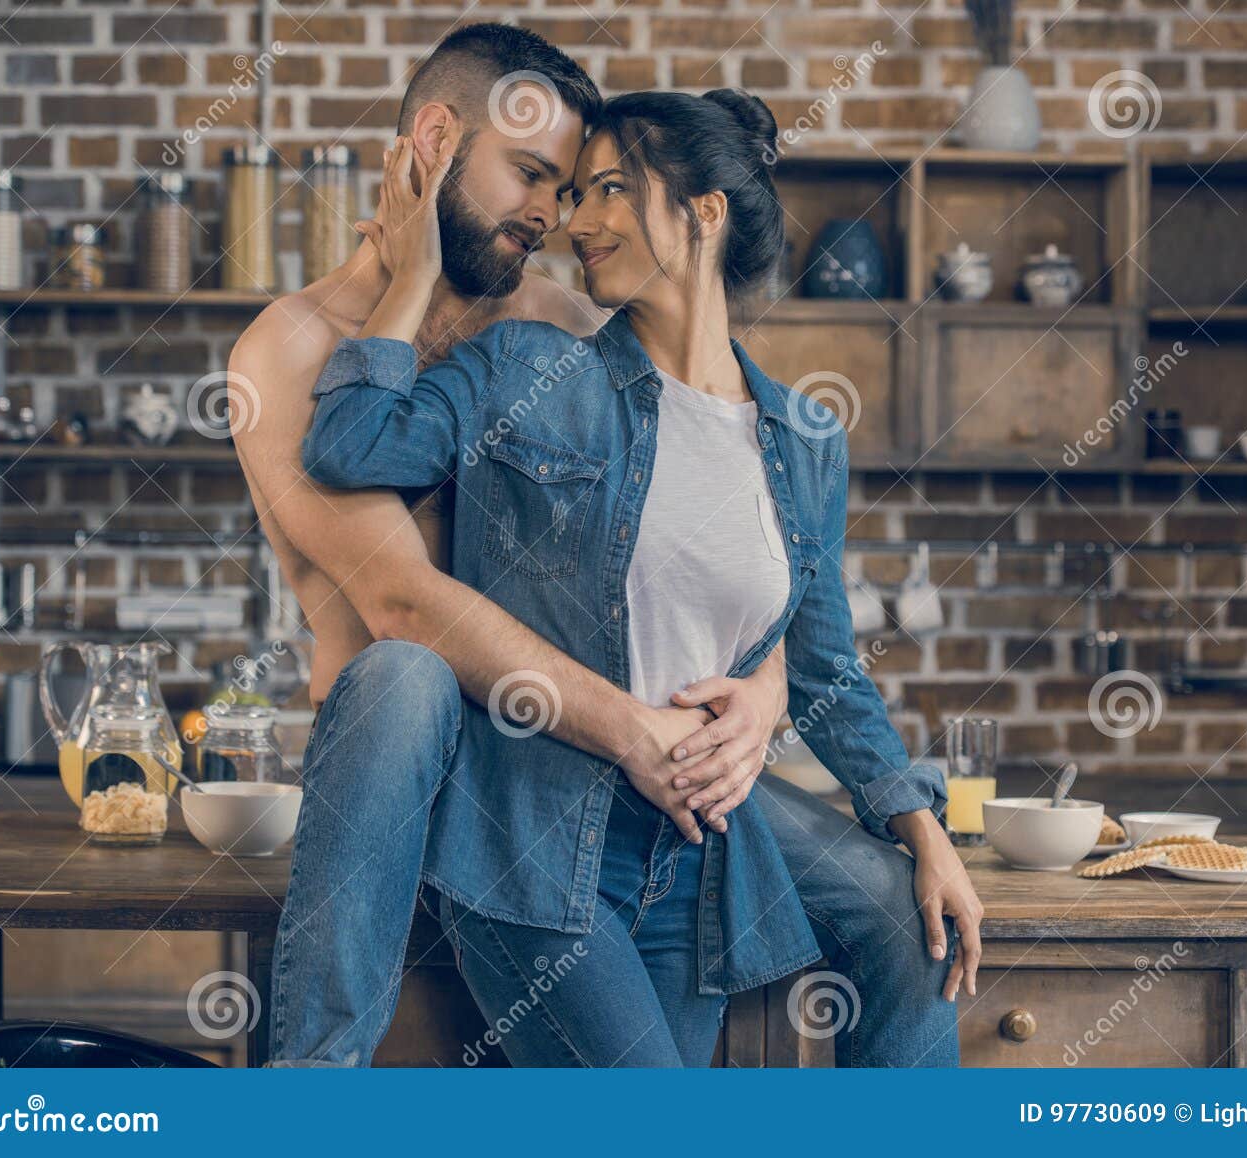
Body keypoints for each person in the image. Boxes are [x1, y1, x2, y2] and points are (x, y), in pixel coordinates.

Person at [295, 72, 984, 1066]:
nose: (577, 219)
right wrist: (411, 276)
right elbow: (349, 445)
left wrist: (924, 835)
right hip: (534, 834)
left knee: (909, 927)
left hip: (698, 849)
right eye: (574, 193)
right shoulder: (529, 370)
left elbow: (825, 666)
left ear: (702, 213)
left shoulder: (802, 435)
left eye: (612, 189)